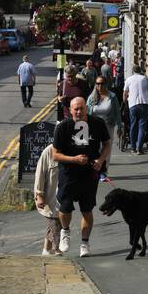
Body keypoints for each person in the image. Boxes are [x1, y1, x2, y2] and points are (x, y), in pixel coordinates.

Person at [50, 95, 111, 257]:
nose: (78, 111)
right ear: (70, 110)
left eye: (81, 108)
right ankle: (65, 232)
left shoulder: (97, 123)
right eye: (75, 108)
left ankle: (85, 243)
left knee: (87, 210)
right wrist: (74, 159)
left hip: (89, 173)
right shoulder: (63, 127)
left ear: (87, 108)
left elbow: (107, 144)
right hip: (68, 173)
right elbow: (55, 155)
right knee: (65, 207)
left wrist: (100, 160)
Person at [33, 141, 60, 255]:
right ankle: (56, 250)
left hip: (64, 198)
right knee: (53, 222)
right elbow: (40, 174)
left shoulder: (72, 151)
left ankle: (46, 251)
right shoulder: (49, 151)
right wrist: (39, 195)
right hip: (50, 198)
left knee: (58, 224)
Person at [86, 74, 121, 150]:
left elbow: (117, 112)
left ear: (106, 84)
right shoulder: (91, 98)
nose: (100, 86)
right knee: (96, 148)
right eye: (98, 84)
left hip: (108, 125)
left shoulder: (112, 96)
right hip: (94, 125)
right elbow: (87, 112)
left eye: (102, 84)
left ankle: (106, 162)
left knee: (107, 148)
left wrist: (119, 126)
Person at [123, 65, 148, 154]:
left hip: (133, 104)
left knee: (133, 125)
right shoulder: (144, 78)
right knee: (142, 126)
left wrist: (125, 103)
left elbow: (125, 93)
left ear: (132, 71)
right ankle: (139, 148)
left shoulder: (128, 79)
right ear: (140, 71)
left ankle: (133, 147)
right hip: (144, 103)